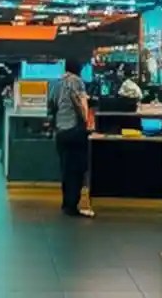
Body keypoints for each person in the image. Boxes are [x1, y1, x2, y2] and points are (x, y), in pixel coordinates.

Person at [50, 58, 94, 218]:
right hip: (74, 131)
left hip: (61, 132)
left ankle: (66, 203)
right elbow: (82, 105)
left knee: (65, 169)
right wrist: (87, 122)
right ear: (79, 69)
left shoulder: (56, 83)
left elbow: (51, 105)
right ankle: (72, 206)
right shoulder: (77, 81)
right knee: (76, 171)